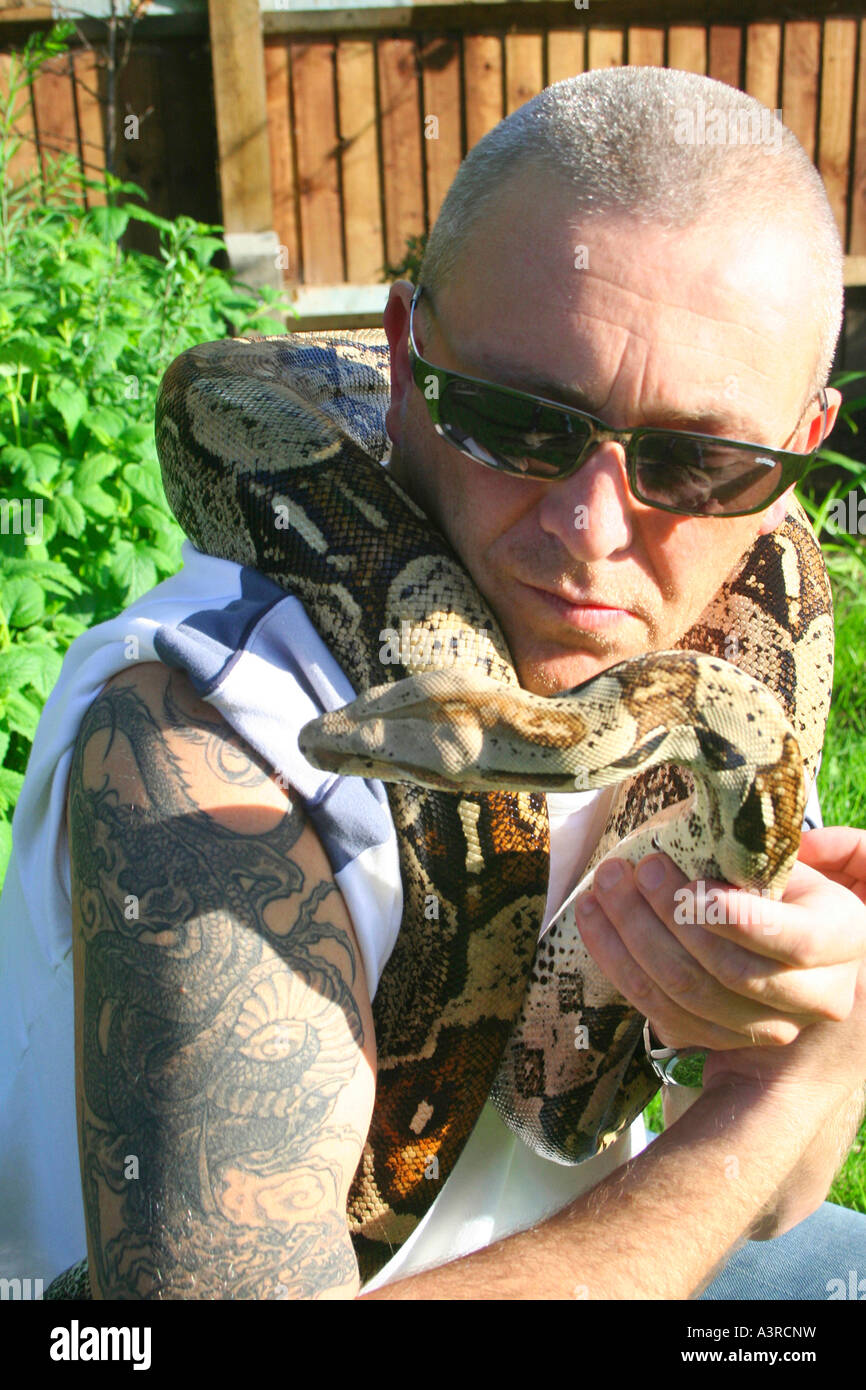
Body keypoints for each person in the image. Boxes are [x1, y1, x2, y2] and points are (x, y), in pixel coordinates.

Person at [1, 66, 865, 1301]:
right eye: (518, 419)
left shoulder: (727, 661)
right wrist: (774, 1101)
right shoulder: (203, 741)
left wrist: (800, 1054)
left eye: (696, 458)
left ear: (795, 456)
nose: (591, 528)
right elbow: (747, 1163)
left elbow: (778, 1200)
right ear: (400, 357)